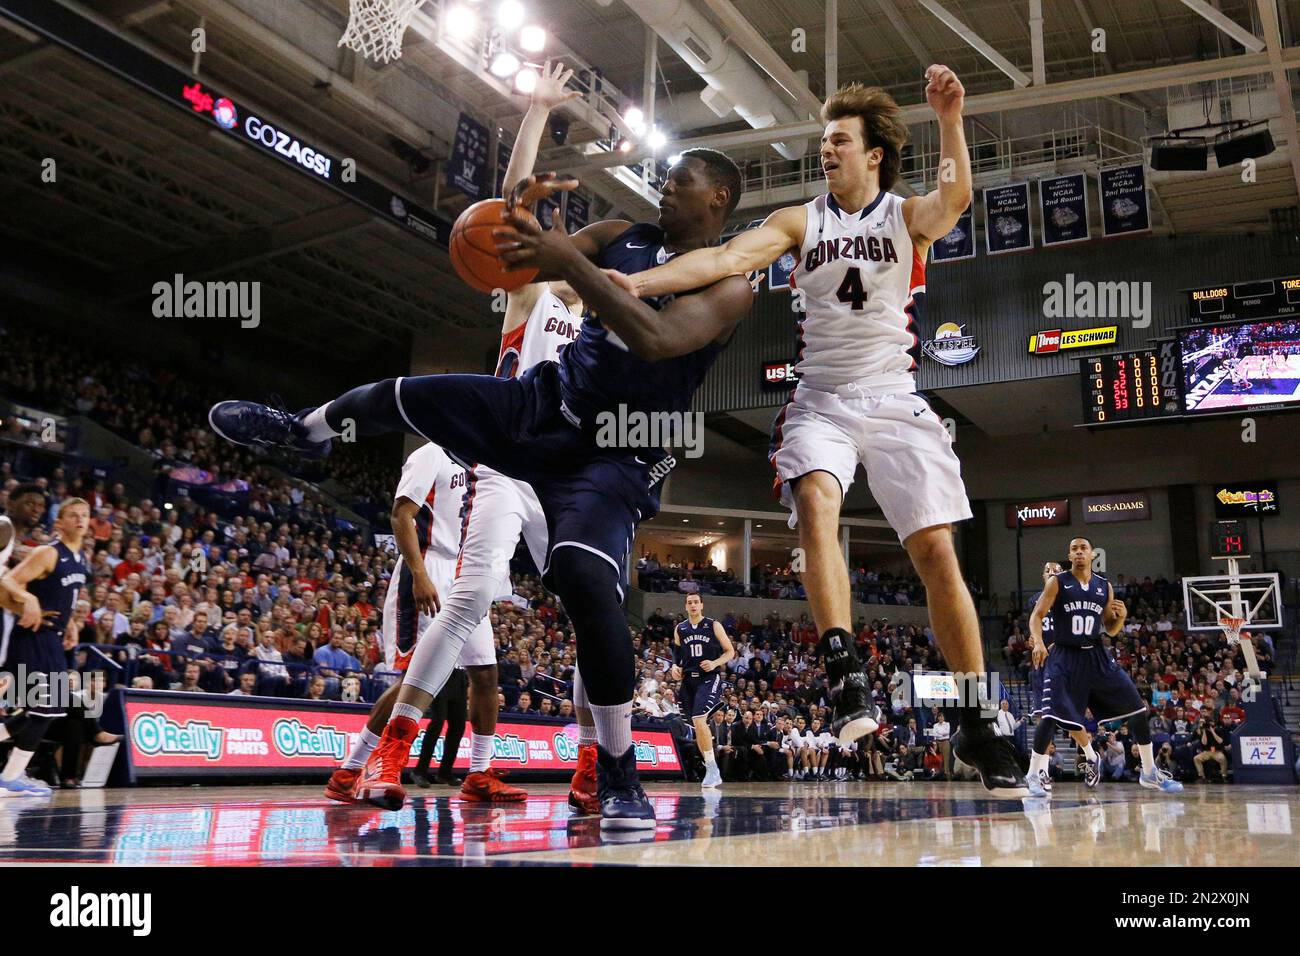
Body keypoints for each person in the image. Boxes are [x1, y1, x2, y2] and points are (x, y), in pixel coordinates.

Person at [209, 140, 754, 829]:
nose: (663, 191)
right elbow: (528, 251)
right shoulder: (620, 236)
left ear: (718, 199)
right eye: (664, 181)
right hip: (542, 406)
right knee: (406, 392)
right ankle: (302, 432)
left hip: (614, 453)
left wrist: (569, 265)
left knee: (588, 587)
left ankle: (615, 770)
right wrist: (520, 223)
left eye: (679, 183)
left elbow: (651, 338)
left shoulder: (731, 287)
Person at [603, 67, 1025, 798]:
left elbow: (954, 197)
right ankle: (842, 666)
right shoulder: (802, 221)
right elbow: (727, 259)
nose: (826, 150)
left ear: (874, 156)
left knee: (936, 553)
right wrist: (639, 284)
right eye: (823, 141)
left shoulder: (904, 216)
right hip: (821, 399)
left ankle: (978, 715)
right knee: (819, 501)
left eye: (839, 141)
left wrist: (951, 117)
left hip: (896, 397)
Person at [324, 442, 524, 805]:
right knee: (411, 681)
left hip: (466, 574)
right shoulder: (432, 453)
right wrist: (418, 574)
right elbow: (401, 515)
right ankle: (350, 770)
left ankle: (479, 773)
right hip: (428, 565)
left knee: (486, 674)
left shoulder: (486, 463)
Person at [1027, 537, 1183, 796]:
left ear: (1091, 555)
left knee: (1137, 708)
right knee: (1050, 715)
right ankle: (1033, 775)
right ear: (1070, 555)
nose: (1078, 552)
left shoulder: (1104, 586)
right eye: (1074, 549)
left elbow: (1110, 628)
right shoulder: (1058, 582)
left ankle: (1149, 772)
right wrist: (1039, 643)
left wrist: (1120, 619)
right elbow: (1037, 615)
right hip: (1065, 656)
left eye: (1083, 549)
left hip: (1096, 656)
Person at [0, 498, 90, 796]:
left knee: (47, 708)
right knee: (43, 706)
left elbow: (67, 596)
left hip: (54, 638)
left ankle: (11, 777)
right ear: (59, 523)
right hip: (33, 637)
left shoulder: (81, 559)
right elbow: (8, 581)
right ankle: (11, 777)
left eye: (85, 515)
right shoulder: (47, 553)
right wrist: (29, 599)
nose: (80, 519)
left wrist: (72, 624)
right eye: (73, 515)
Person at [670, 592, 734, 789]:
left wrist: (715, 662)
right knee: (697, 726)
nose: (693, 605)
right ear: (686, 607)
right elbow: (677, 655)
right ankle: (710, 767)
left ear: (702, 605)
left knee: (699, 718)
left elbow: (730, 651)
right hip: (688, 681)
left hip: (708, 678)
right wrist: (675, 667)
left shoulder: (713, 625)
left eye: (696, 602)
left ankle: (712, 769)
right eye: (689, 602)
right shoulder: (680, 629)